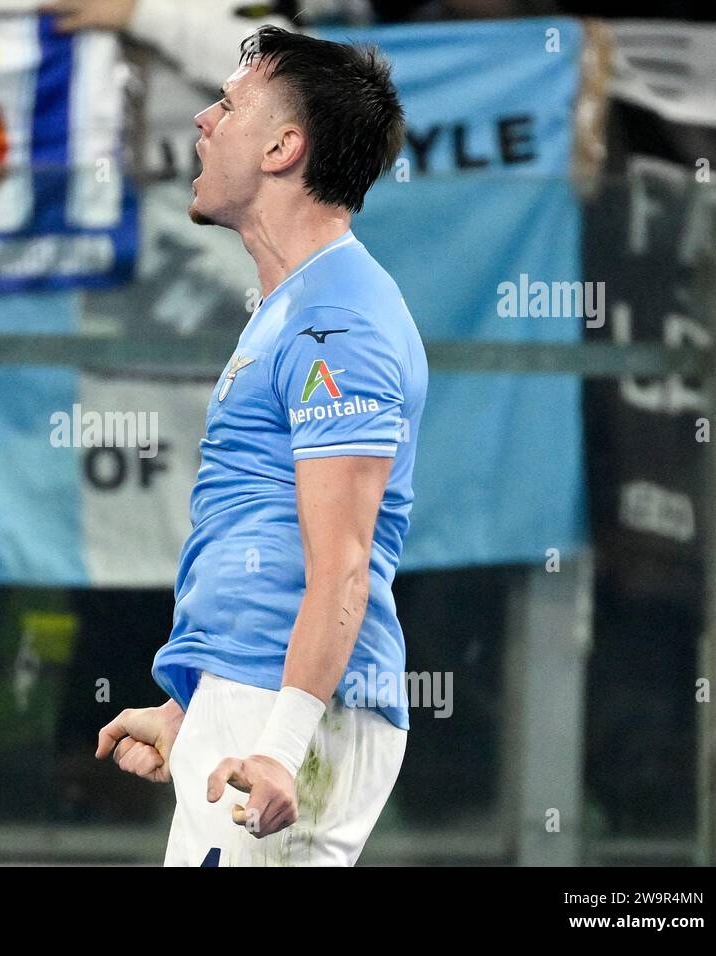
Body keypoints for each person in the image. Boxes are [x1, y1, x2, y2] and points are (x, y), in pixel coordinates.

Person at [95, 25, 426, 866]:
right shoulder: (294, 308)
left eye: (230, 105)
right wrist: (189, 709)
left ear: (284, 146)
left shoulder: (335, 322)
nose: (204, 120)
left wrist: (281, 741)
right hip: (245, 702)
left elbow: (343, 564)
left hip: (289, 718)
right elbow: (266, 544)